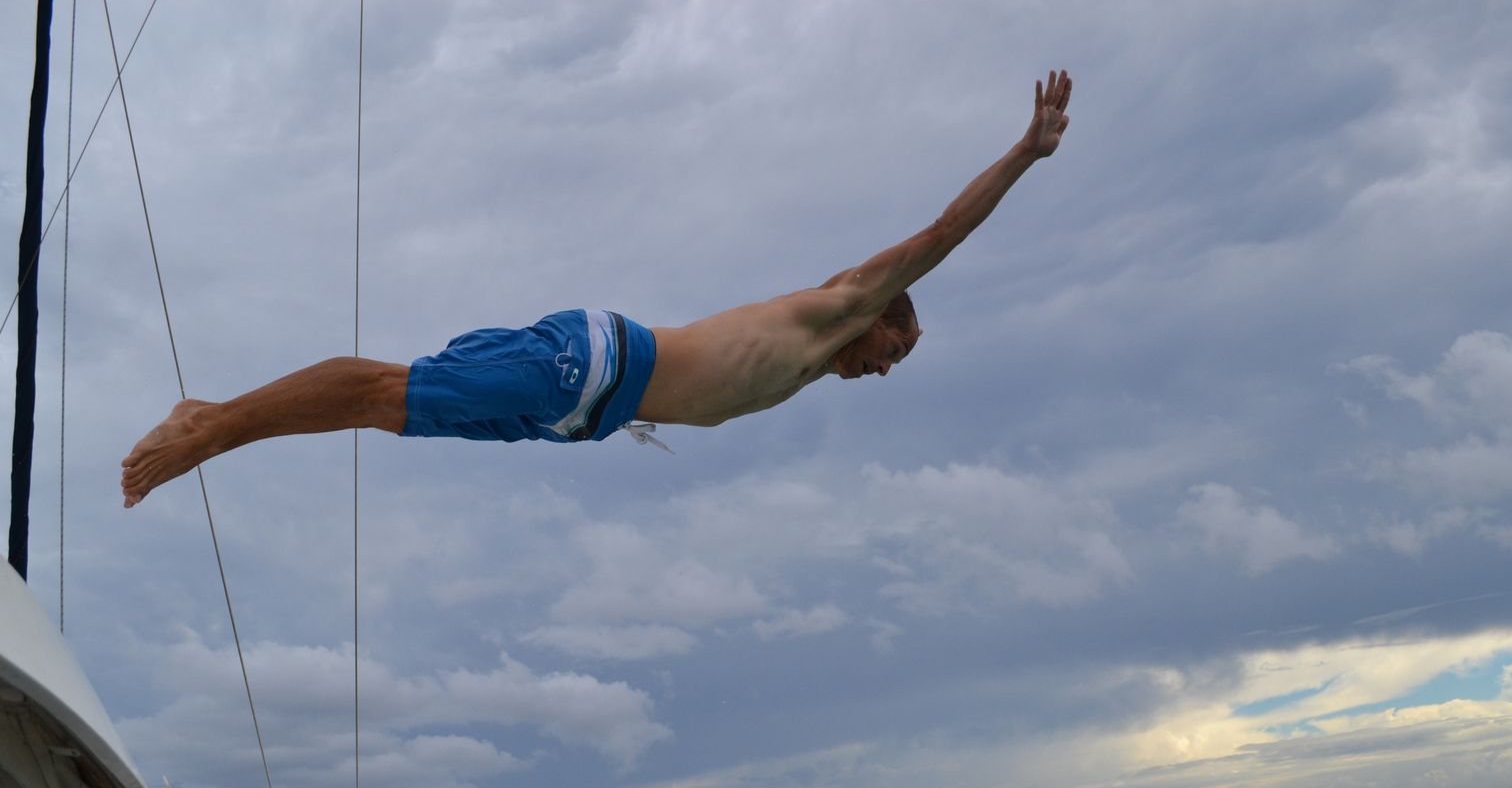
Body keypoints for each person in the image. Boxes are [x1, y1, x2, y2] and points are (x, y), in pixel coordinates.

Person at [121, 70, 1073, 508]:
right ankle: (210, 428)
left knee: (393, 408)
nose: (884, 368)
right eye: (892, 350)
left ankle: (214, 413)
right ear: (876, 316)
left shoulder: (811, 365)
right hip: (588, 364)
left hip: (579, 412)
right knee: (386, 390)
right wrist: (1024, 156)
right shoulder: (839, 310)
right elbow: (943, 237)